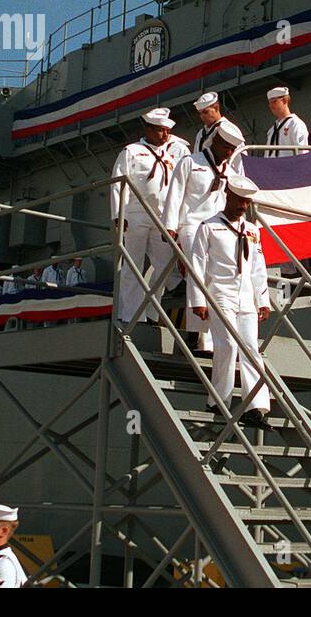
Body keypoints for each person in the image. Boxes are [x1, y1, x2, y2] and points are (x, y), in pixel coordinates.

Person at [188, 175, 274, 430]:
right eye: (239, 201)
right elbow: (197, 265)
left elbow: (258, 266)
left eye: (247, 203)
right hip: (220, 294)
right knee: (226, 346)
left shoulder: (251, 230)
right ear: (228, 196)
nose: (243, 207)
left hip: (246, 296)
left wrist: (263, 299)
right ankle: (218, 400)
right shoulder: (208, 227)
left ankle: (256, 406)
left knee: (250, 349)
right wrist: (197, 300)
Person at [164, 118, 245, 351]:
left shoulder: (228, 171)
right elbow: (175, 195)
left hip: (216, 227)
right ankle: (196, 335)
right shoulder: (190, 162)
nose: (228, 152)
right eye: (225, 147)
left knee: (214, 278)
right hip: (191, 225)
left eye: (232, 149)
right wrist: (170, 227)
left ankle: (207, 338)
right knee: (197, 277)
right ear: (214, 141)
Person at [109, 108, 191, 323]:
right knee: (133, 266)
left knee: (165, 265)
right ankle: (128, 315)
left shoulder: (173, 153)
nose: (165, 135)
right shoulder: (132, 151)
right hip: (136, 214)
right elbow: (119, 182)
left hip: (162, 217)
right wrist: (119, 214)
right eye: (160, 131)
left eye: (166, 131)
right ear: (148, 129)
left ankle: (153, 312)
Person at [265, 86, 308, 156]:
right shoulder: (271, 130)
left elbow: (302, 152)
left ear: (284, 100)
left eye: (274, 102)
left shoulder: (295, 124)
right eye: (269, 103)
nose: (271, 106)